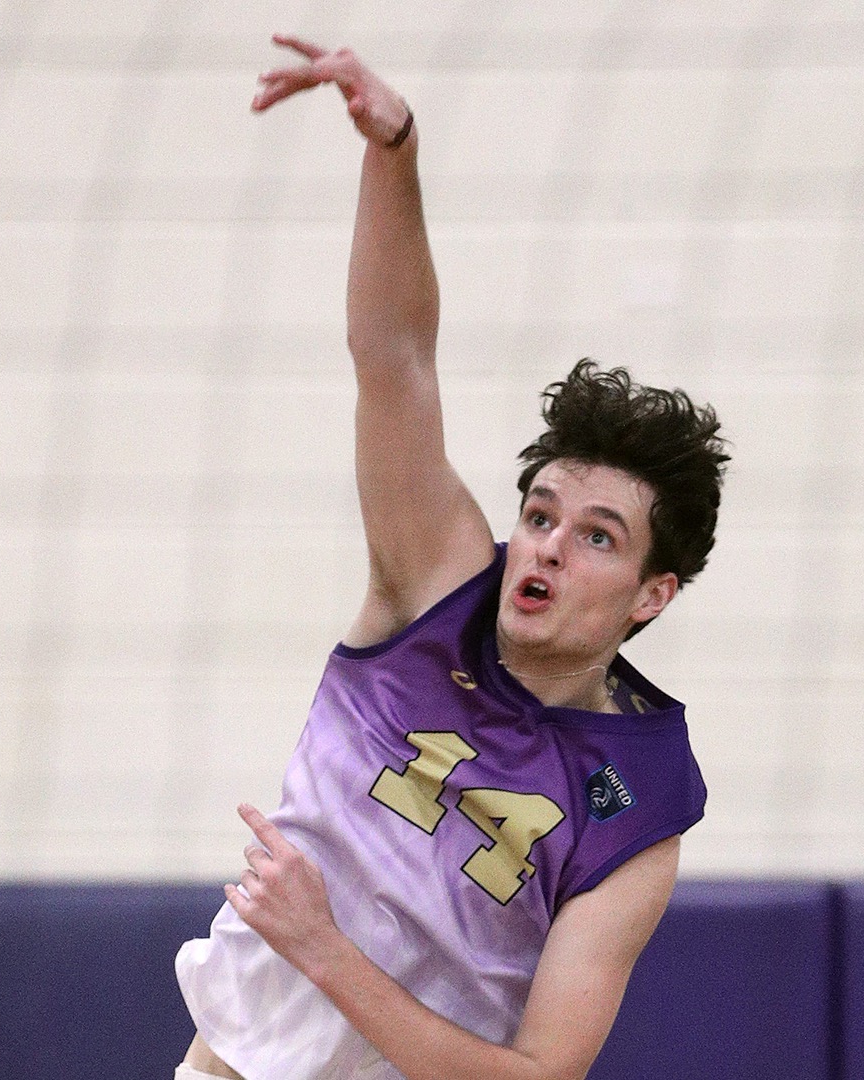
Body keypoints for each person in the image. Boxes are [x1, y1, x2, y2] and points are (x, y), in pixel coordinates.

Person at [172, 34, 728, 1080]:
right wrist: (394, 150)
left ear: (653, 595)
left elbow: (540, 1076)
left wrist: (326, 951)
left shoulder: (642, 803)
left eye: (596, 537)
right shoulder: (434, 587)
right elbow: (393, 357)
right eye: (543, 513)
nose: (550, 547)